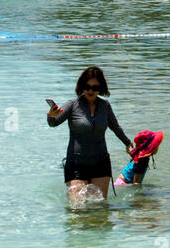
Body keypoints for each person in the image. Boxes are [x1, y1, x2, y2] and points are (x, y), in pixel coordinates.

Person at [48, 66, 134, 203]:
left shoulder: (105, 106)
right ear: (82, 86)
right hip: (76, 164)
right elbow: (53, 123)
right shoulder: (72, 105)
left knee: (99, 207)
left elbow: (115, 127)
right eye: (87, 87)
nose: (90, 91)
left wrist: (128, 143)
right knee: (77, 209)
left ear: (100, 88)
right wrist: (51, 116)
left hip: (101, 162)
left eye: (95, 88)